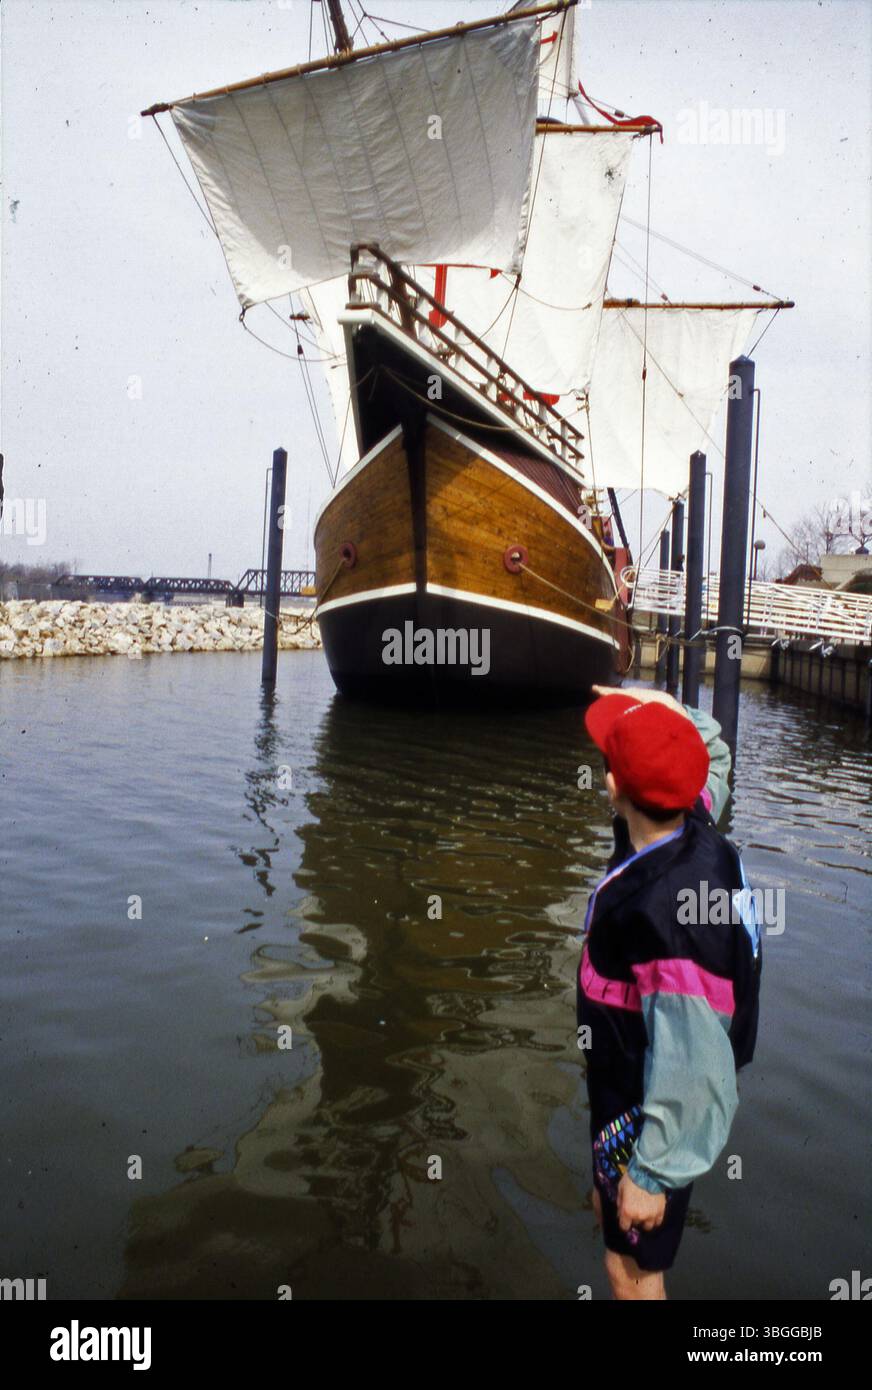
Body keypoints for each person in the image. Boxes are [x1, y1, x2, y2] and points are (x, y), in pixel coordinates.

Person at [578, 686, 762, 1300]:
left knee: (631, 1275)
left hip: (650, 1116)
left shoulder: (669, 921)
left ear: (614, 787)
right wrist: (654, 704)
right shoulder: (694, 822)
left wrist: (653, 1174)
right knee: (615, 1232)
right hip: (628, 1098)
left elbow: (695, 1067)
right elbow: (712, 751)